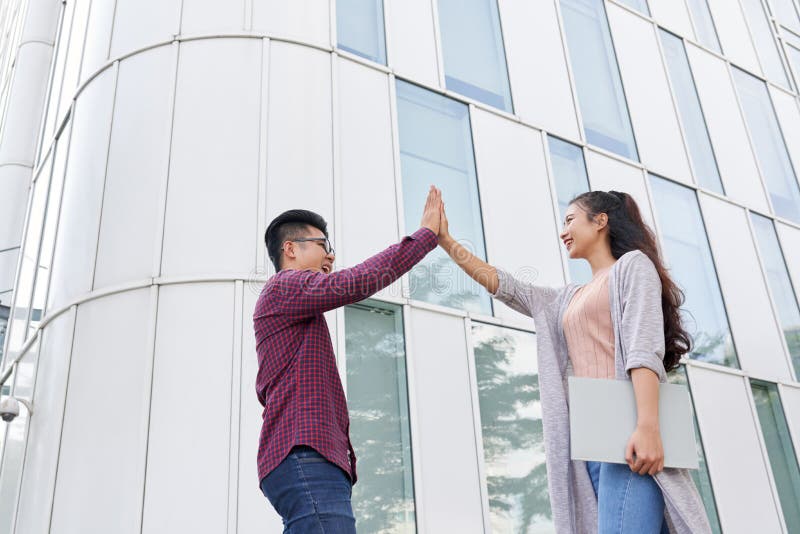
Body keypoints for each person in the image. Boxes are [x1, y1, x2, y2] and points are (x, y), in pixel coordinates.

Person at [437, 190, 711, 533]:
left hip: (629, 436)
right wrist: (446, 241)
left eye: (570, 220)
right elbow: (507, 286)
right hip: (592, 445)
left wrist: (647, 427)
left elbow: (644, 348)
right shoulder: (568, 297)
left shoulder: (632, 267)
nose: (563, 231)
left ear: (600, 221)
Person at [253, 187, 442, 533]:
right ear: (291, 249)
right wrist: (425, 237)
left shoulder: (296, 304)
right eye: (324, 245)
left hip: (306, 456)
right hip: (304, 451)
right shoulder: (284, 286)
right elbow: (354, 282)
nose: (331, 257)